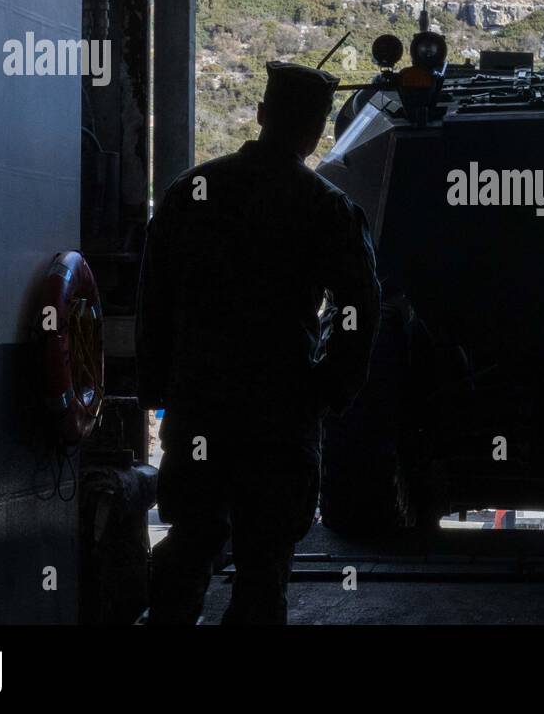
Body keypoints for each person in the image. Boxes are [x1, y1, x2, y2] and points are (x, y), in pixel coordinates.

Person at [137, 62, 382, 624]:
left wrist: (158, 383)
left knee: (192, 540)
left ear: (261, 114)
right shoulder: (328, 208)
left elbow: (156, 300)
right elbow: (360, 310)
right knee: (265, 563)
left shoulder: (189, 193)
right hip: (281, 413)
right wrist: (328, 388)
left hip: (200, 405)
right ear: (317, 131)